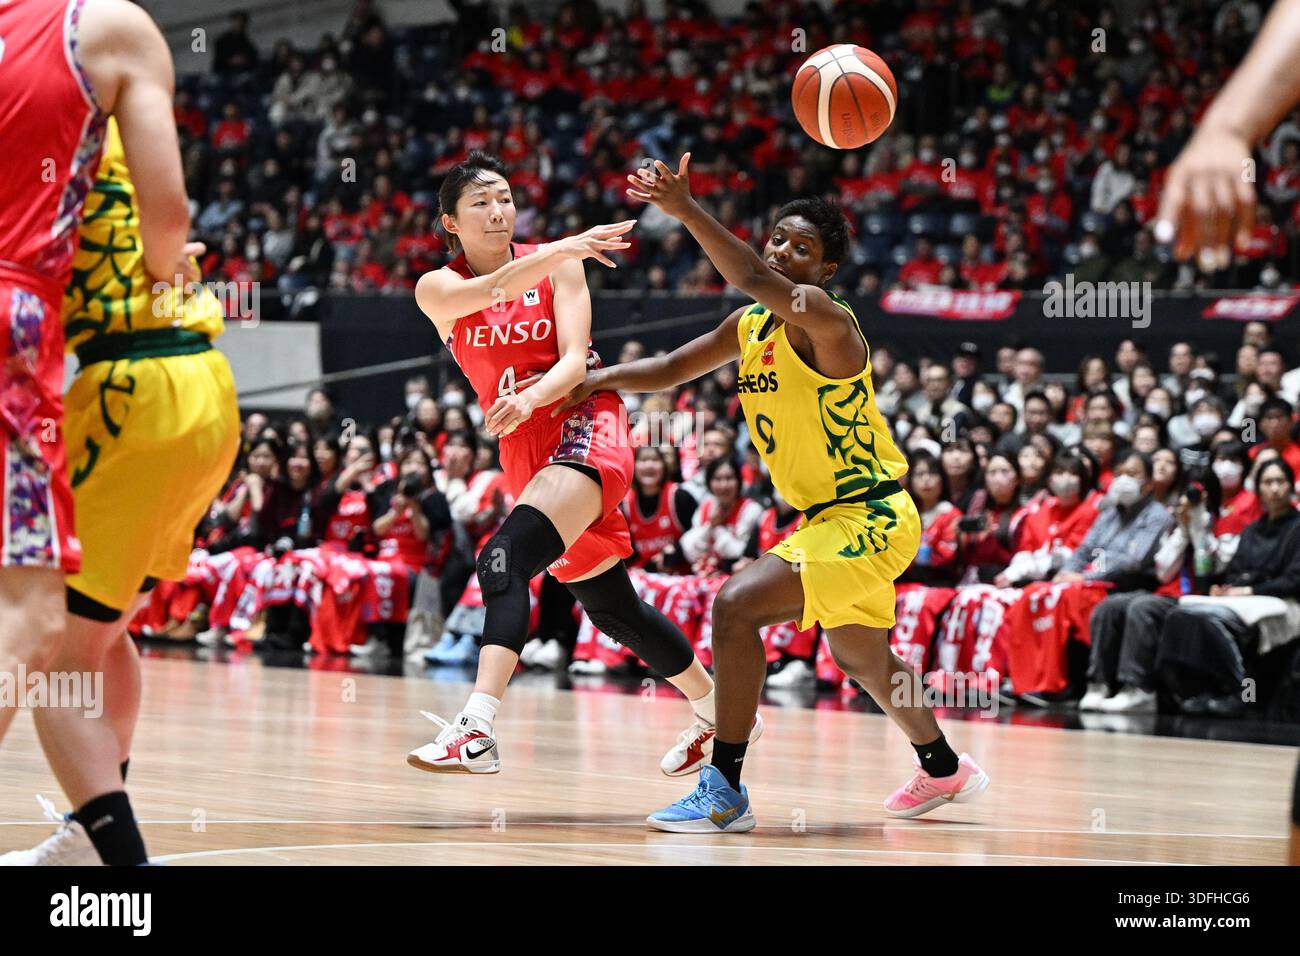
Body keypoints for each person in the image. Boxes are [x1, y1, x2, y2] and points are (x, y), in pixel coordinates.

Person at [565, 155, 988, 833]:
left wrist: (685, 208)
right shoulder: (749, 326)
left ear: (825, 272)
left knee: (734, 609)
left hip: (870, 513)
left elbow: (754, 277)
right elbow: (677, 366)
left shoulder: (828, 321)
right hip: (832, 518)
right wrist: (598, 379)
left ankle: (725, 789)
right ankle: (943, 766)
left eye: (805, 248)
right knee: (862, 656)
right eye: (780, 239)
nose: (785, 251)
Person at [406, 152, 745, 777]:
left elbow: (572, 362)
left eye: (505, 197)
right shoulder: (437, 288)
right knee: (613, 609)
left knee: (500, 561)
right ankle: (716, 710)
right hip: (525, 449)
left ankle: (477, 728)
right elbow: (493, 290)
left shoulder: (561, 267)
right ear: (450, 222)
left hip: (588, 421)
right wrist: (564, 246)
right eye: (480, 202)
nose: (498, 210)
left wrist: (531, 396)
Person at [0, 0, 230, 867]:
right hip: (206, 387)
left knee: (56, 643)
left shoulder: (49, 157)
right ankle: (89, 835)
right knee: (108, 626)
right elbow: (172, 233)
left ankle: (116, 864)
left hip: (132, 388)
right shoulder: (112, 97)